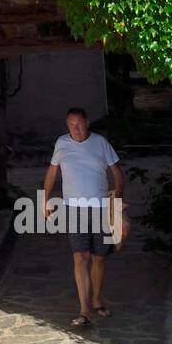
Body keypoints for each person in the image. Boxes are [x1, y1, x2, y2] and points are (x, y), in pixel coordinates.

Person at [42, 107, 125, 328]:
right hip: (73, 208)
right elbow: (52, 171)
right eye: (71, 125)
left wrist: (118, 201)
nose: (75, 129)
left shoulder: (100, 143)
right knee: (80, 257)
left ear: (87, 122)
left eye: (78, 124)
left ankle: (96, 299)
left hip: (99, 207)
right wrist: (45, 198)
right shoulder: (61, 143)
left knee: (99, 257)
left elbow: (117, 172)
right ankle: (84, 310)